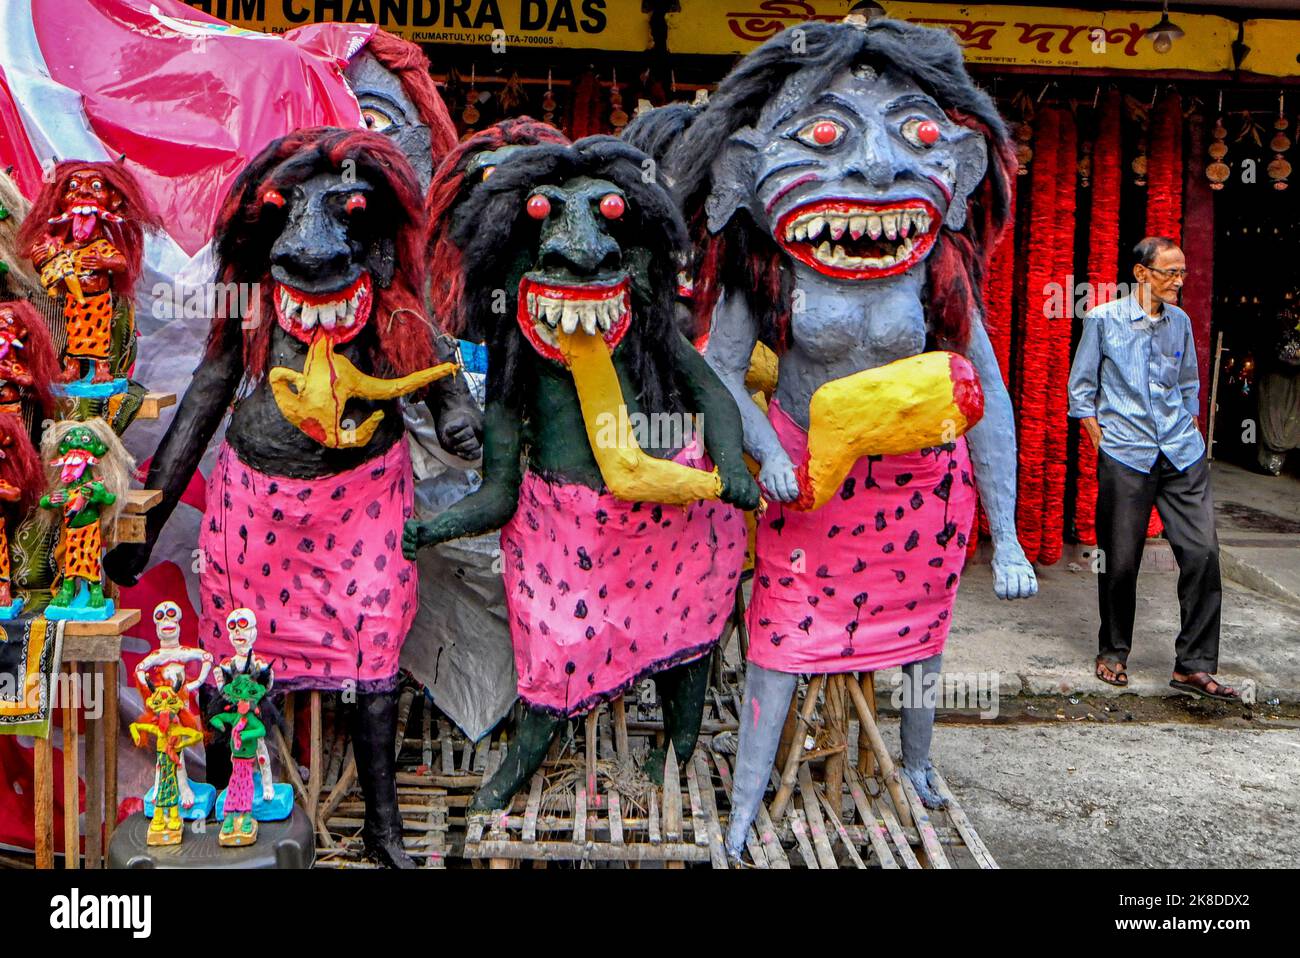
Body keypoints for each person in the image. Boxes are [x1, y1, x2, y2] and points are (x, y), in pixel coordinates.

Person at [1068, 236, 1239, 701]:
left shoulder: (1180, 323)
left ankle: (1194, 666)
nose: (1180, 281)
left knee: (1203, 554)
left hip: (1181, 455)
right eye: (1170, 272)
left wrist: (1190, 431)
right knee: (1121, 561)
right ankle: (1113, 651)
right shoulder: (1103, 321)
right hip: (1127, 454)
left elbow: (1189, 385)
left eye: (1183, 273)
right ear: (1142, 274)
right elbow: (1081, 390)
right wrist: (1101, 438)